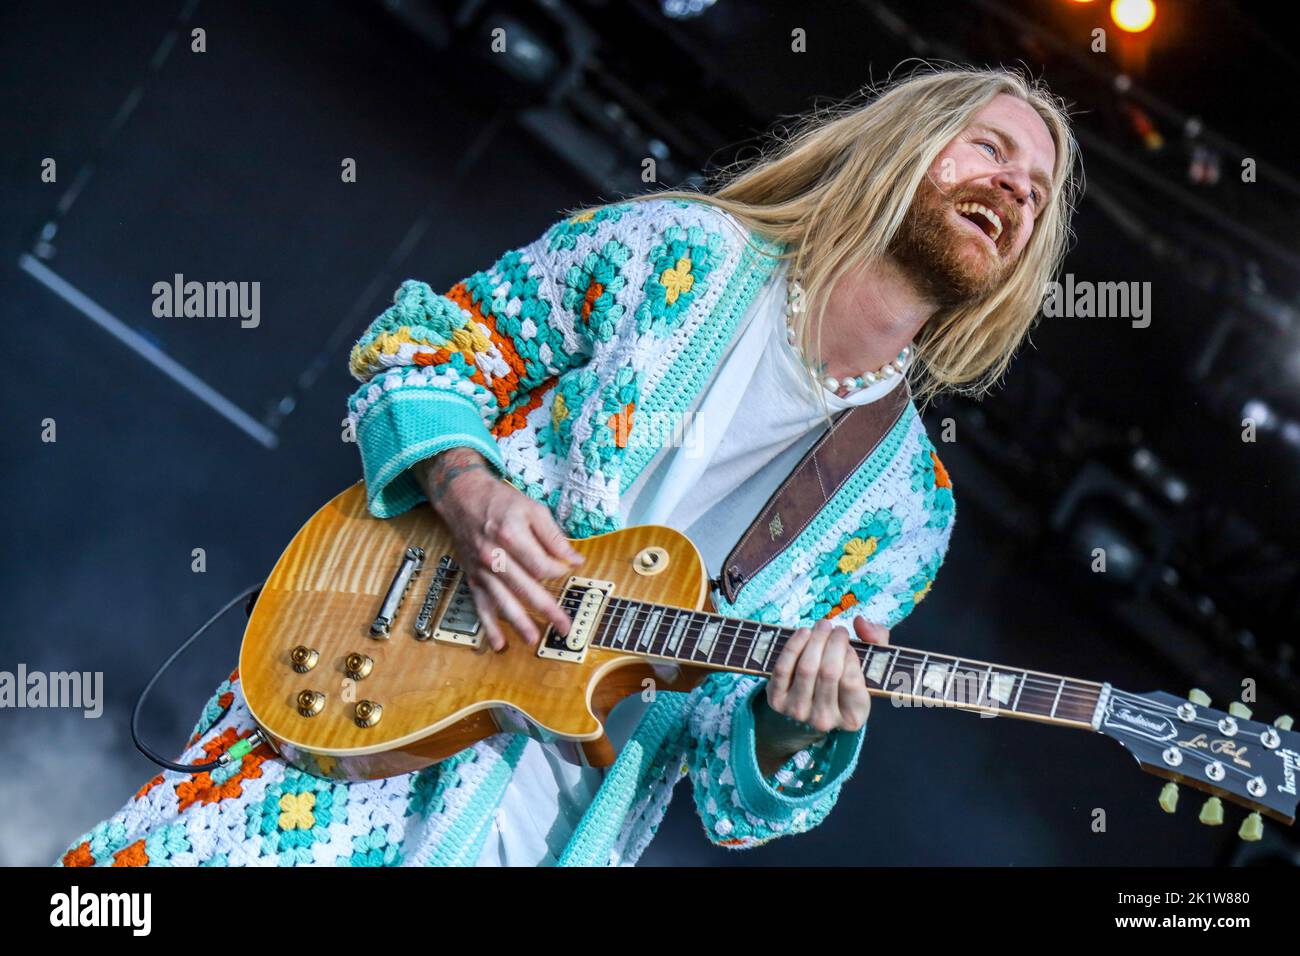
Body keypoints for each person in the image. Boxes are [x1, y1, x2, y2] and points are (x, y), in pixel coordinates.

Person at [58, 63, 1077, 867]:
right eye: (987, 148)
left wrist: (788, 722)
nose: (1011, 190)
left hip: (542, 833)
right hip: (350, 713)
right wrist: (469, 490)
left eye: (1033, 195)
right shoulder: (674, 249)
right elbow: (427, 346)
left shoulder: (905, 508)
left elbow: (730, 791)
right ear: (901, 147)